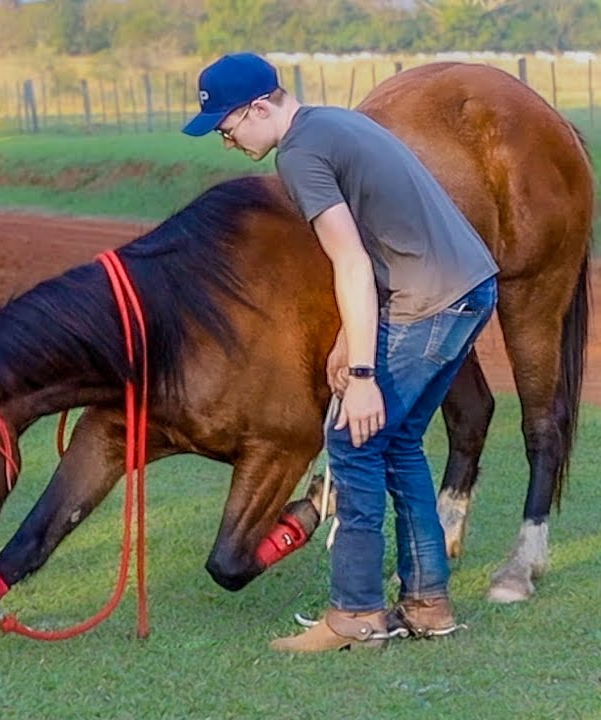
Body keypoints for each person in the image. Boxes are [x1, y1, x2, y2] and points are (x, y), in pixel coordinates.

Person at [183, 53, 499, 653]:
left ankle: (355, 614)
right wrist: (346, 339)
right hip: (468, 288)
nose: (226, 142)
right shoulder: (332, 123)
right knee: (399, 442)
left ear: (258, 108)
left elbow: (351, 259)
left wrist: (360, 374)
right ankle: (427, 606)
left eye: (227, 128)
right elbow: (382, 239)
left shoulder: (298, 155)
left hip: (430, 299)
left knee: (353, 439)